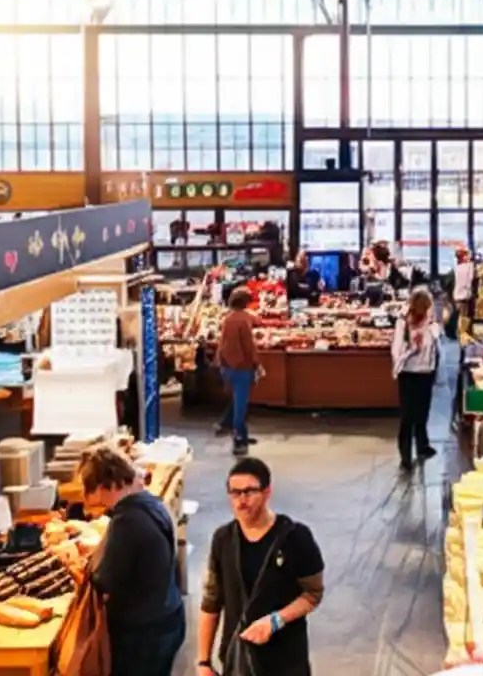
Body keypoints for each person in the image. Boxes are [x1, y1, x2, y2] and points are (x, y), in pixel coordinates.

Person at [197, 458, 325, 676]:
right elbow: (211, 601)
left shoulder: (295, 537)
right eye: (235, 493)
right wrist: (203, 661)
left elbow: (313, 593)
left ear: (267, 492)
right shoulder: (223, 539)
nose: (241, 501)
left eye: (249, 492)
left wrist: (276, 620)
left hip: (284, 662)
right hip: (237, 660)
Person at [79, 447, 184, 676]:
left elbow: (104, 581)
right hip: (168, 617)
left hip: (145, 634)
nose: (95, 502)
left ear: (106, 485)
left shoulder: (126, 520)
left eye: (92, 490)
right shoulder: (149, 502)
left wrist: (83, 561)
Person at [391, 287, 440, 470]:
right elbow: (397, 351)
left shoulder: (430, 321)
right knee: (408, 415)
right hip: (409, 373)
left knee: (422, 412)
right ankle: (405, 456)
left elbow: (435, 341)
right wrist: (412, 350)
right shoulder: (403, 323)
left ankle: (422, 446)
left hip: (426, 372)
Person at [219, 288, 263, 454]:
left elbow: (222, 344)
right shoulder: (243, 320)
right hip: (242, 367)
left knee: (238, 402)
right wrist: (257, 364)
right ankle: (239, 439)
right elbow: (249, 346)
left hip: (228, 367)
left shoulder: (228, 319)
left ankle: (240, 433)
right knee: (240, 406)